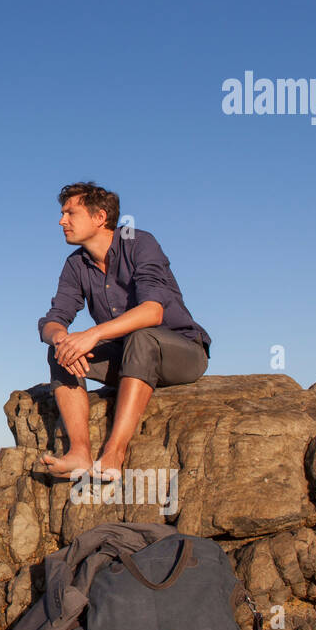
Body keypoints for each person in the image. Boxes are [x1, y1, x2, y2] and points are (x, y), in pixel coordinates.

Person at [37, 182, 211, 481]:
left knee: (140, 337)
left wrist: (93, 334)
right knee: (60, 350)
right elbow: (53, 319)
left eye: (70, 213)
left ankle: (114, 452)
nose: (61, 221)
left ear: (99, 217)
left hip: (181, 352)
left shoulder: (139, 242)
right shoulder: (76, 264)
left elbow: (152, 312)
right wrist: (61, 339)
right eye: (62, 213)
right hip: (126, 357)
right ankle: (79, 452)